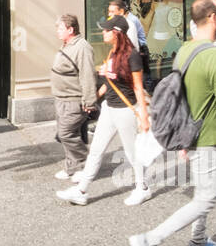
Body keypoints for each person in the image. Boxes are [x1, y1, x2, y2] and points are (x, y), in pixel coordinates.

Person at [127, 0, 216, 246]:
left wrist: (184, 140)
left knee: (203, 192)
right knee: (206, 198)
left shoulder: (184, 50)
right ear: (211, 17)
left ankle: (197, 241)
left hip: (191, 135)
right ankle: (148, 241)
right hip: (207, 138)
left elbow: (182, 97)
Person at [56, 15, 151, 206]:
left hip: (125, 109)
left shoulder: (132, 56)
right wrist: (93, 99)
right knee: (96, 151)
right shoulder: (112, 54)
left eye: (107, 30)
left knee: (132, 153)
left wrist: (144, 117)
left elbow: (138, 87)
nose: (103, 33)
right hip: (109, 108)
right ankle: (82, 190)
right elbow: (109, 84)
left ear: (117, 33)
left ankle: (143, 188)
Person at [49, 14, 96, 181]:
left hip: (73, 99)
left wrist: (89, 101)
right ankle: (71, 167)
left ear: (71, 29)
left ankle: (86, 163)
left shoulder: (82, 47)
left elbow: (87, 75)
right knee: (71, 134)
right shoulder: (68, 45)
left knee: (65, 133)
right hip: (62, 98)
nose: (57, 32)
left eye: (60, 28)